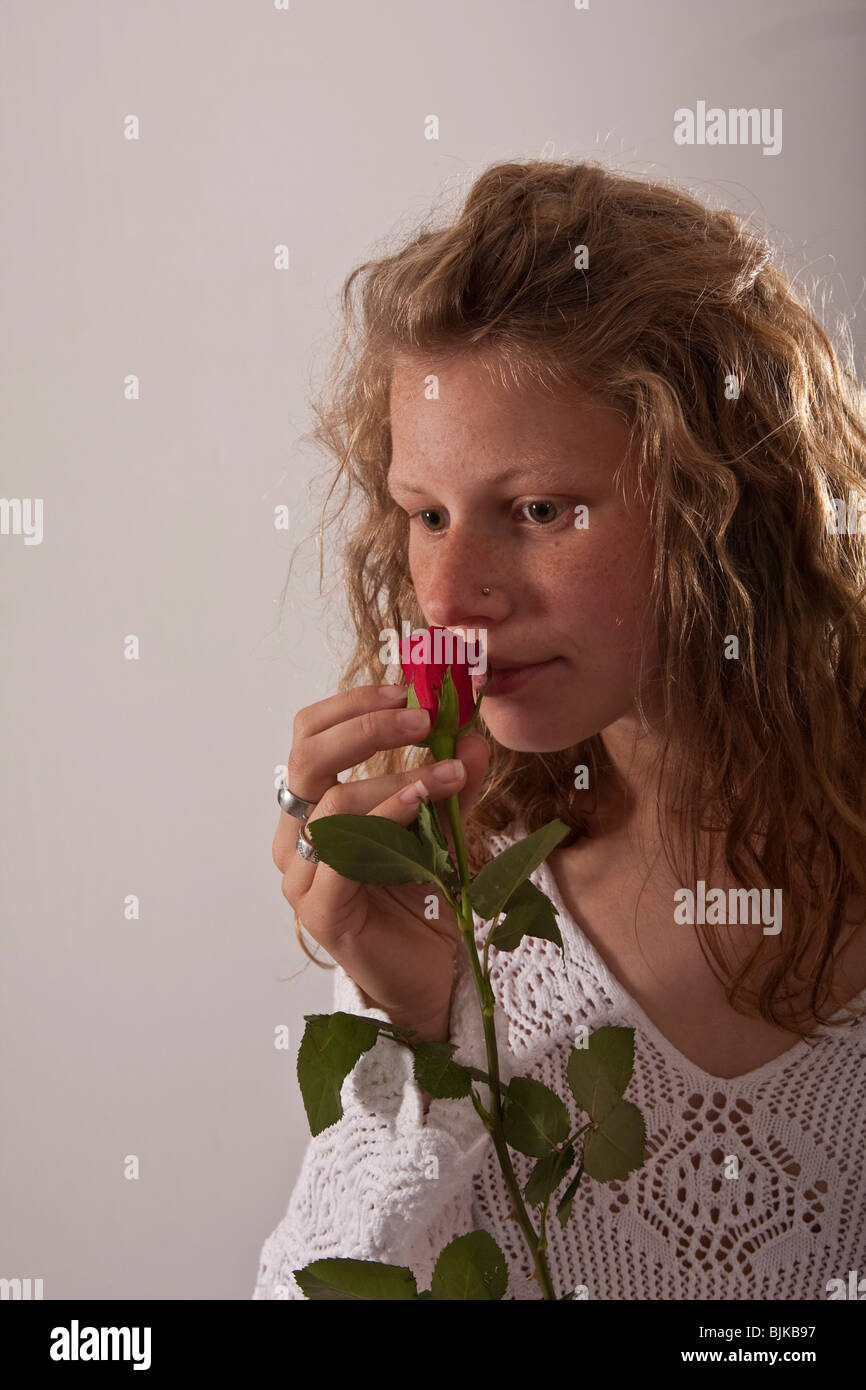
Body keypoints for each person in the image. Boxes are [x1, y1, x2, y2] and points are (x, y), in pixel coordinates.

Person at [253, 158, 866, 1301]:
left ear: (723, 499)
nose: (445, 601)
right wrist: (419, 1033)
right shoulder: (451, 891)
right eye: (425, 517)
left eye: (536, 511)